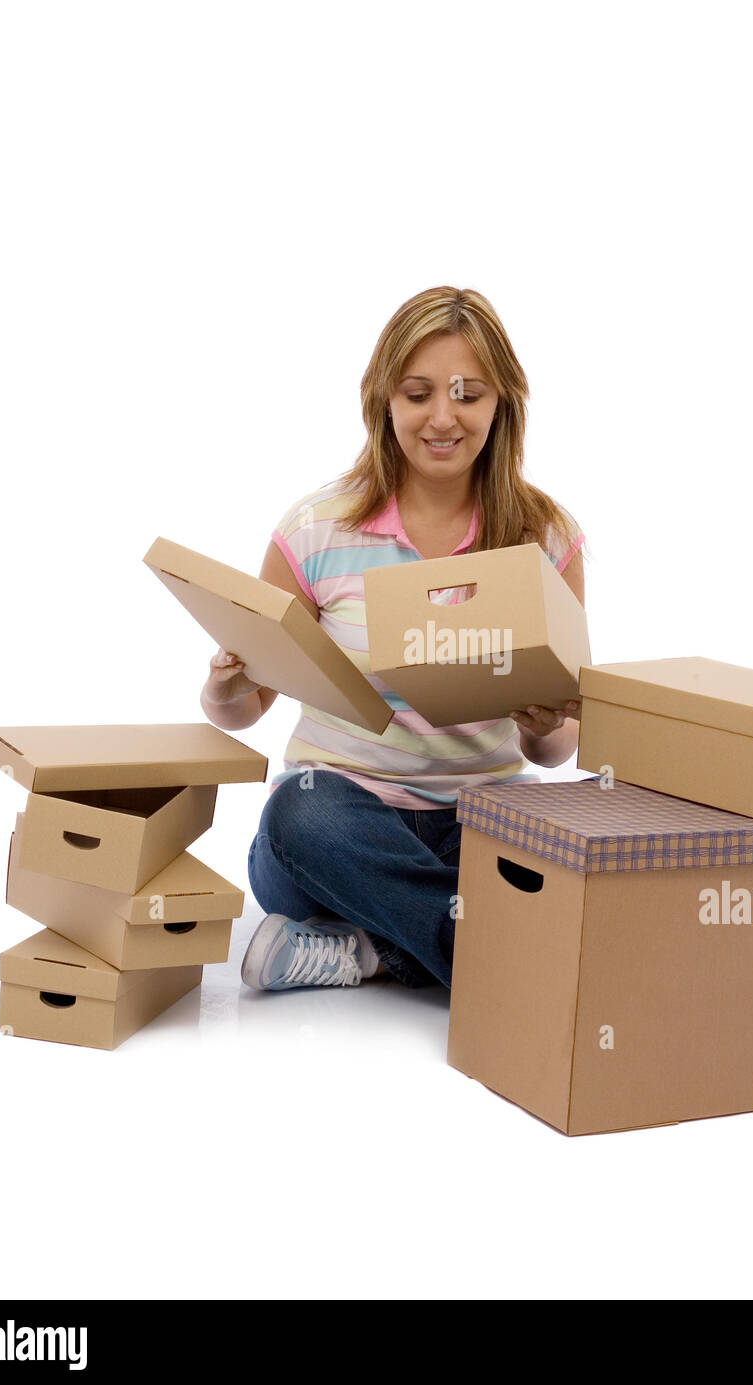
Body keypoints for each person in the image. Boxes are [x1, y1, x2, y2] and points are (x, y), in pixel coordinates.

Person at [200, 286, 586, 992]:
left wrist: (545, 726)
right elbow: (243, 709)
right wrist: (222, 689)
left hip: (478, 818)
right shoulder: (316, 531)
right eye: (418, 394)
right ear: (385, 400)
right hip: (338, 828)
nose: (443, 417)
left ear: (502, 402)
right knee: (299, 811)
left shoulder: (545, 538)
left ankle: (374, 950)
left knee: (555, 842)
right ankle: (500, 960)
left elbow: (556, 749)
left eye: (468, 394)